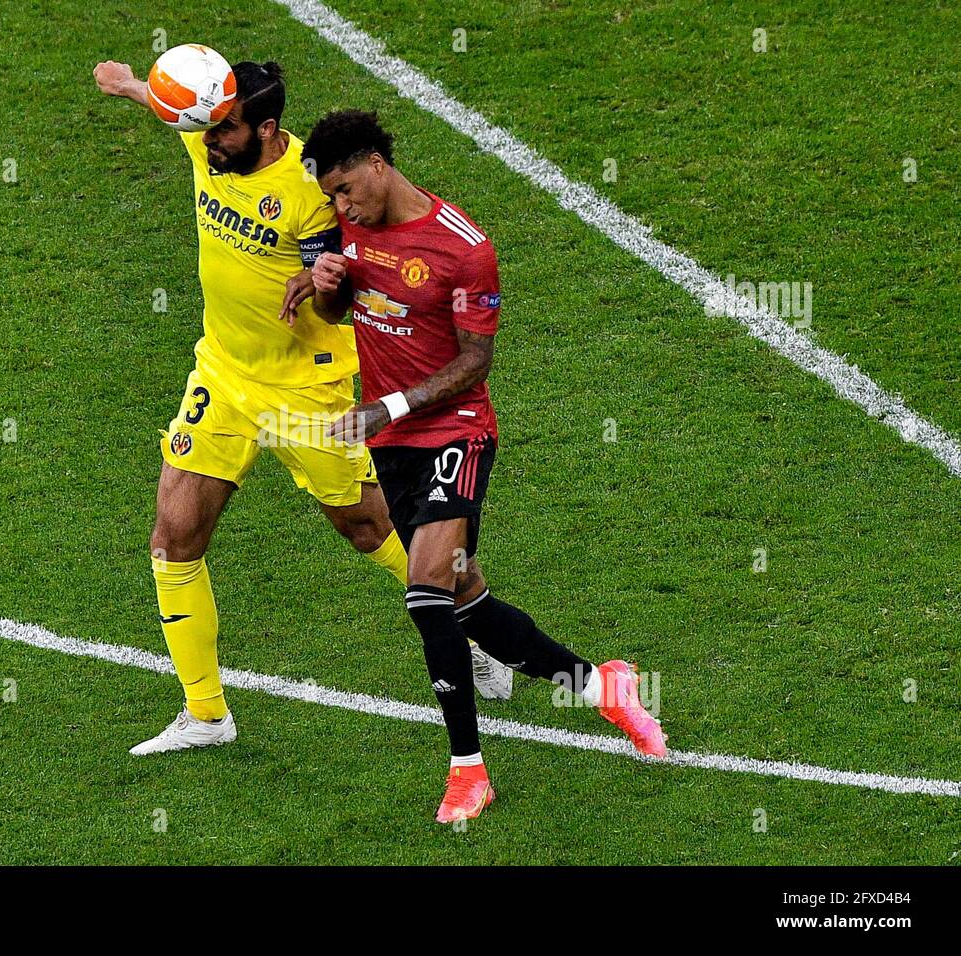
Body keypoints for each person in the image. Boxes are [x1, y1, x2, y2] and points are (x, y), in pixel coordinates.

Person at [93, 61, 515, 754]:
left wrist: (316, 277)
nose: (205, 140)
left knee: (363, 525)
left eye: (220, 128)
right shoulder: (209, 140)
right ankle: (206, 713)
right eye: (201, 124)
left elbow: (337, 288)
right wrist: (136, 86)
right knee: (174, 536)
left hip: (304, 385)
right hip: (223, 374)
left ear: (263, 128)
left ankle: (477, 625)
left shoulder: (308, 194)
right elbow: (179, 112)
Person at [302, 109, 667, 821]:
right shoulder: (349, 231)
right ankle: (601, 687)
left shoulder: (463, 249)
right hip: (392, 442)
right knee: (467, 603)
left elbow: (476, 361)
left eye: (346, 189)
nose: (341, 208)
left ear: (377, 163)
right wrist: (326, 285)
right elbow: (345, 312)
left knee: (426, 592)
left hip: (454, 431)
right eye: (332, 199)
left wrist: (393, 407)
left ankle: (469, 771)